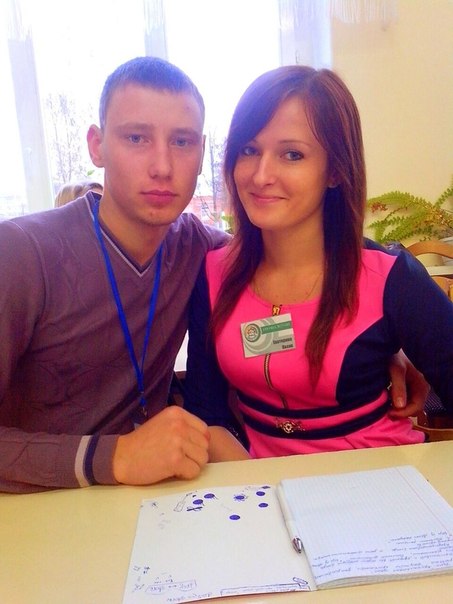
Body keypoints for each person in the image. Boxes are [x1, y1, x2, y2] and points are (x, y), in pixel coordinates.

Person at [0, 58, 427, 494]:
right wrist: (115, 456)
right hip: (36, 505)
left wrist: (387, 339)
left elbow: (309, 260)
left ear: (201, 152)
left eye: (182, 141)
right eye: (136, 138)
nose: (162, 166)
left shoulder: (198, 249)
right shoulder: (20, 253)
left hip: (155, 493)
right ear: (96, 145)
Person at [183, 65, 453, 461]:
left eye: (292, 154)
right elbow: (205, 413)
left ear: (336, 170)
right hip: (261, 486)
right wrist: (264, 486)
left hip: (380, 479)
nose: (261, 175)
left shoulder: (389, 278)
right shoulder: (213, 274)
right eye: (249, 150)